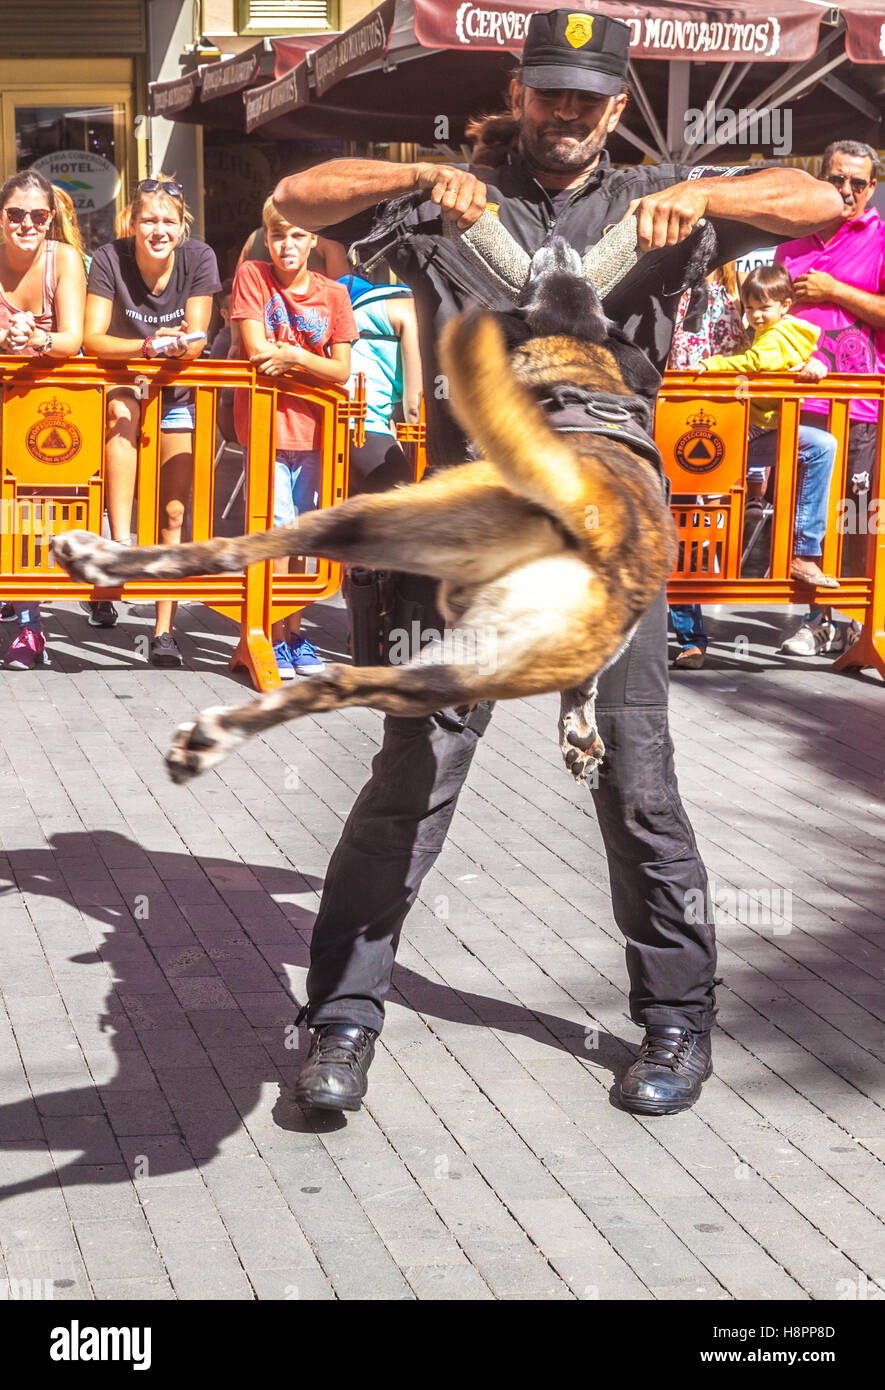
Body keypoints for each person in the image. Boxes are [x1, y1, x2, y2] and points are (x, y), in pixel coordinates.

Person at [272, 8, 844, 1118]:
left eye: (588, 97)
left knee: (636, 775)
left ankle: (677, 1020)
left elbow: (824, 197)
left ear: (616, 108)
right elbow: (294, 201)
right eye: (550, 92)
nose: (567, 113)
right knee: (410, 782)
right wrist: (432, 176)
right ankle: (340, 1019)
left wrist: (707, 194)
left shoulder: (654, 202)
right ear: (520, 92)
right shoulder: (450, 198)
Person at [84, 175, 221, 665]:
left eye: (167, 221)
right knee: (120, 415)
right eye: (148, 220)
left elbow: (199, 337)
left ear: (181, 225)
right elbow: (92, 339)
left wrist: (183, 343)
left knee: (174, 512)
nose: (158, 230)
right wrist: (147, 347)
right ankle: (119, 553)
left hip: (177, 391)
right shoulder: (109, 258)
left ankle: (164, 630)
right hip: (124, 384)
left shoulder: (199, 257)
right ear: (132, 223)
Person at [231, 196, 356, 679]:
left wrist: (299, 359)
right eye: (279, 234)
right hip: (265, 428)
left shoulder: (334, 295)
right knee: (278, 530)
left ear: (313, 241)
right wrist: (303, 361)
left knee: (304, 534)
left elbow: (341, 370)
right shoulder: (252, 276)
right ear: (267, 236)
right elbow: (256, 349)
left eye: (298, 235)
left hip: (316, 431)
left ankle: (293, 630)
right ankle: (271, 635)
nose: (287, 244)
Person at [773, 140, 885, 656]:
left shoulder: (880, 238)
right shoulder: (789, 239)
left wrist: (834, 291)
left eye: (857, 183)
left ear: (872, 188)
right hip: (794, 400)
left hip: (857, 403)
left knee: (852, 514)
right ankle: (816, 615)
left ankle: (842, 620)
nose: (845, 191)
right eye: (836, 179)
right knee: (798, 514)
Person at [698, 262, 839, 589]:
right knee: (823, 445)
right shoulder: (774, 330)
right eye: (749, 308)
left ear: (785, 305)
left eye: (764, 308)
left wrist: (711, 365)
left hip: (752, 428)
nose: (756, 315)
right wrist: (814, 363)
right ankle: (708, 561)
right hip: (754, 426)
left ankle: (799, 553)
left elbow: (755, 363)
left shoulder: (776, 336)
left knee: (822, 446)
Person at [0, 170, 86, 670]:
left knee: (30, 514)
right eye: (16, 214)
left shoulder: (65, 259)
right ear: (1, 217)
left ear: (50, 218)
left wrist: (36, 341)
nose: (27, 223)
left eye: (38, 215)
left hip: (48, 407)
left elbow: (72, 339)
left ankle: (31, 626)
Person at [338, 273, 422, 664]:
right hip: (368, 428)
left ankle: (362, 635)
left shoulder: (366, 306)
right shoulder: (411, 310)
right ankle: (385, 639)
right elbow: (417, 404)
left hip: (340, 426)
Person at [667, 264, 748, 670]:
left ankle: (690, 636)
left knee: (688, 531)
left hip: (702, 431)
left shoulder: (727, 298)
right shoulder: (665, 287)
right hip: (655, 417)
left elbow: (740, 368)